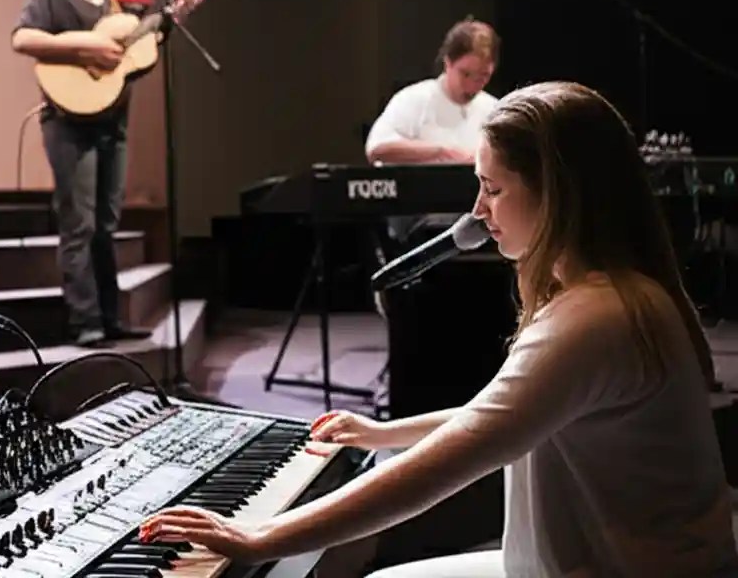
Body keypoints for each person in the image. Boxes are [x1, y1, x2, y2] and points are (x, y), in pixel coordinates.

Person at [141, 81, 737, 577]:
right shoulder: (612, 297)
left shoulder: (595, 318)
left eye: (494, 188)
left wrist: (262, 536)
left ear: (558, 195)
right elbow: (506, 416)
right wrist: (381, 434)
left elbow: (451, 463)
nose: (478, 212)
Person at [10, 0, 204, 346]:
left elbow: (144, 41)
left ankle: (110, 318)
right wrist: (86, 45)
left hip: (111, 124)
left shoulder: (114, 4)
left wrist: (178, 13)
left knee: (106, 225)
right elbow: (22, 39)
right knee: (78, 223)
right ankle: (85, 322)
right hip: (67, 124)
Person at [366, 18, 500, 166]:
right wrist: (441, 152)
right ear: (448, 62)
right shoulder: (414, 99)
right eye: (465, 74)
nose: (472, 84)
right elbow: (376, 148)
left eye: (483, 76)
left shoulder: (495, 110)